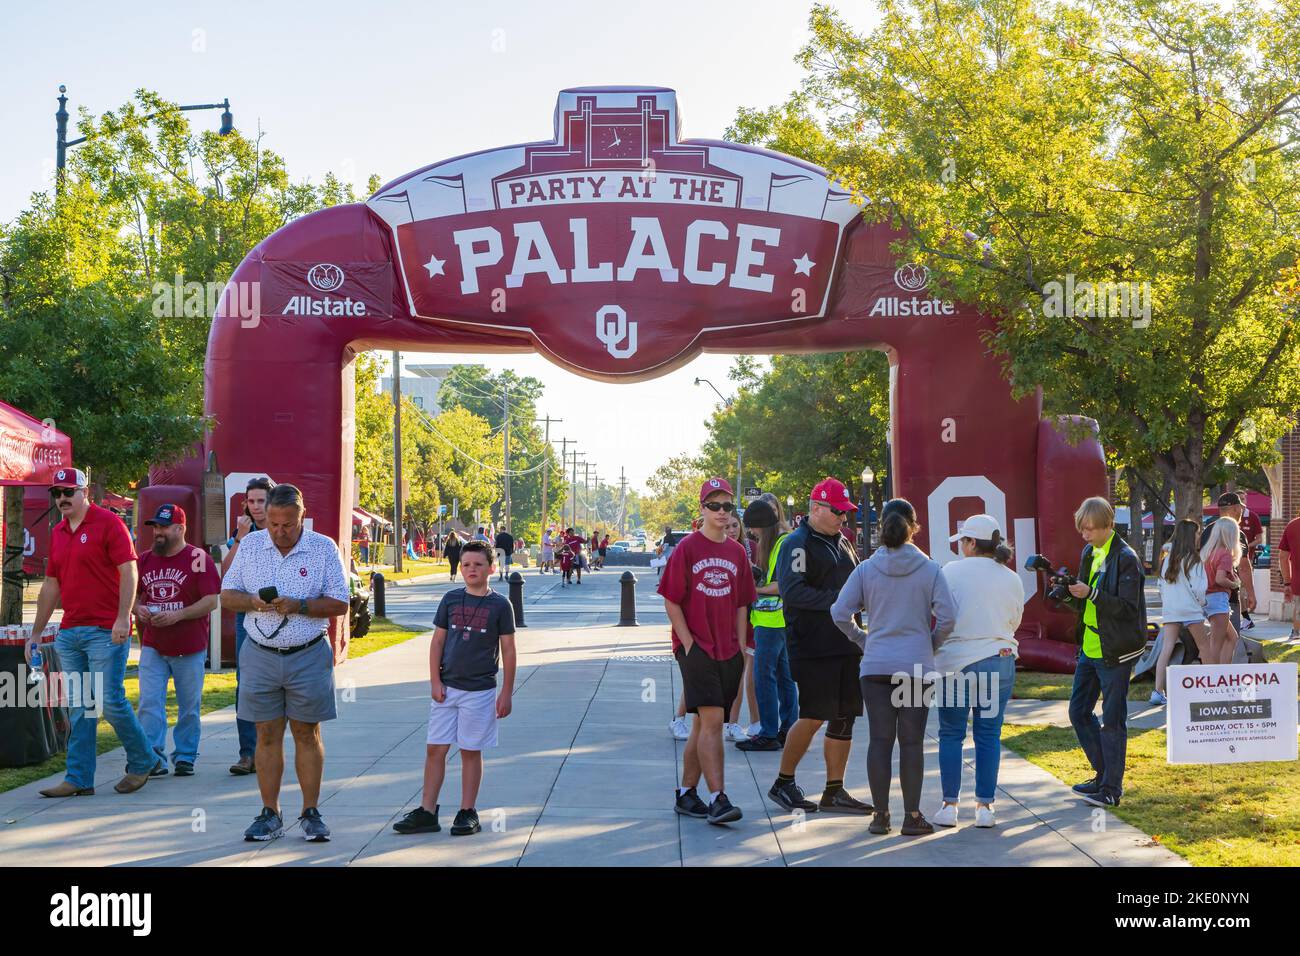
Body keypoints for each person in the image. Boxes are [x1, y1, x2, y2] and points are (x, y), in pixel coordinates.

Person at [220, 483, 350, 842]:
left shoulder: (322, 548)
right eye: (274, 524)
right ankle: (269, 812)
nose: (279, 532)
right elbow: (227, 595)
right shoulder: (250, 546)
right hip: (260, 653)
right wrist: (253, 602)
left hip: (308, 653)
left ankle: (310, 812)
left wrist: (301, 606)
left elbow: (340, 602)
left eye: (288, 524)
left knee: (307, 733)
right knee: (265, 733)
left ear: (302, 516)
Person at [28, 468, 161, 797]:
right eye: (57, 493)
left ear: (85, 492)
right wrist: (36, 633)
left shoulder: (109, 523)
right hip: (70, 632)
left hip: (106, 629)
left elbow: (129, 570)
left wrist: (122, 617)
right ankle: (79, 778)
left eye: (68, 491)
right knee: (80, 707)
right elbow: (50, 586)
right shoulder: (58, 532)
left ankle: (144, 759)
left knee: (109, 701)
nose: (62, 498)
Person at [832, 497, 955, 835]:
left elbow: (839, 612)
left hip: (875, 666)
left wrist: (862, 639)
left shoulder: (866, 569)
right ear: (914, 528)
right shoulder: (930, 569)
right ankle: (912, 816)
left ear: (883, 526)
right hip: (915, 666)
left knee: (880, 741)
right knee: (912, 743)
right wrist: (930, 643)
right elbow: (948, 616)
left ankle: (880, 815)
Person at [393, 541, 517, 836]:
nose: (472, 569)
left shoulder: (500, 605)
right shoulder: (450, 600)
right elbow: (437, 642)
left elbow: (509, 650)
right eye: (466, 565)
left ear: (492, 567)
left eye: (478, 564)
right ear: (459, 567)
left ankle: (467, 811)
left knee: (470, 751)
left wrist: (506, 693)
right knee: (435, 748)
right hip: (447, 689)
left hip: (480, 691)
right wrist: (435, 681)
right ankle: (427, 811)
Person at [768, 478, 873, 817]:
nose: (844, 517)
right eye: (838, 511)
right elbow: (793, 591)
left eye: (846, 512)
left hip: (846, 643)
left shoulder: (843, 541)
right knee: (813, 715)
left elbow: (858, 581)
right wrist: (842, 602)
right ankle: (783, 782)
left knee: (845, 717)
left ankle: (834, 790)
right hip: (813, 644)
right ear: (816, 508)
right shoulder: (797, 544)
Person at [659, 478, 756, 826]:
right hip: (696, 647)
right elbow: (671, 598)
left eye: (726, 506)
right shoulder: (688, 548)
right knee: (714, 720)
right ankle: (718, 798)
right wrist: (687, 643)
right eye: (713, 505)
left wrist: (742, 646)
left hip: (728, 649)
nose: (720, 512)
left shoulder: (737, 553)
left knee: (702, 724)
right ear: (701, 509)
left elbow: (743, 603)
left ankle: (686, 794)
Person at [931, 514, 1019, 829]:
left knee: (951, 734)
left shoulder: (950, 572)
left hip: (955, 662)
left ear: (969, 543)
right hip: (998, 658)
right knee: (988, 734)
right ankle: (984, 806)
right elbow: (1014, 620)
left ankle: (949, 805)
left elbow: (939, 615)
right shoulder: (1010, 577)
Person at [1060, 496, 1147, 810]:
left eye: (1091, 530)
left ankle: (1111, 789)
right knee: (1078, 712)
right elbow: (1086, 600)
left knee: (1113, 721)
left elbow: (1127, 608)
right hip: (1090, 646)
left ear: (1109, 525)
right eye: (1082, 530)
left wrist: (1091, 593)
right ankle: (1102, 775)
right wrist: (1070, 592)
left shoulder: (1126, 557)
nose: (1085, 535)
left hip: (1116, 651)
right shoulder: (1090, 551)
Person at [133, 504, 221, 776]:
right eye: (155, 527)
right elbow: (132, 595)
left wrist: (179, 615)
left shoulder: (198, 558)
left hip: (190, 645)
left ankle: (185, 756)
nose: (157, 532)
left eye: (163, 527)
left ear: (180, 528)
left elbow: (211, 601)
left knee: (189, 707)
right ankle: (153, 757)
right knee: (149, 702)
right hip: (153, 644)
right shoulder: (145, 559)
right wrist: (138, 609)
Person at [735, 497, 798, 752]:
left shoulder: (783, 543)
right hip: (774, 620)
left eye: (752, 527)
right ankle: (788, 729)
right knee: (784, 677)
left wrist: (754, 589)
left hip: (772, 621)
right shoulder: (781, 542)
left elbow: (784, 585)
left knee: (764, 677)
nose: (750, 532)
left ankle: (769, 732)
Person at [221, 475, 274, 775]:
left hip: (281, 614)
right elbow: (227, 574)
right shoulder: (242, 532)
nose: (256, 507)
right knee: (246, 684)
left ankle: (271, 748)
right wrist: (240, 537)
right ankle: (247, 753)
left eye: (261, 501)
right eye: (251, 501)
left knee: (277, 685)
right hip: (247, 615)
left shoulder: (283, 530)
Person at [1151, 519, 1212, 703]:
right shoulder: (1195, 559)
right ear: (1190, 536)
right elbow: (1199, 588)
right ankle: (1212, 686)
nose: (1199, 536)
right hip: (1191, 609)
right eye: (1197, 532)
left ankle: (1157, 691)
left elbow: (1161, 586)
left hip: (1171, 609)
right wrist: (1201, 604)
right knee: (1204, 647)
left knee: (1166, 648)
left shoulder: (1167, 559)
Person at [1198, 492, 1256, 641]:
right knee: (1230, 640)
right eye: (1240, 508)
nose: (1242, 511)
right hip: (1226, 596)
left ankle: (1211, 662)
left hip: (1204, 593)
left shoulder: (1206, 532)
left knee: (1215, 639)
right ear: (1234, 508)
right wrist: (1250, 593)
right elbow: (1243, 567)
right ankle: (1221, 664)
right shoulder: (1236, 534)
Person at [723, 509, 758, 741]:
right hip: (727, 617)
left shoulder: (751, 549)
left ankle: (749, 723)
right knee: (731, 673)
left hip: (751, 616)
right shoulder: (720, 550)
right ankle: (729, 723)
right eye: (727, 526)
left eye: (735, 525)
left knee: (750, 671)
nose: (732, 530)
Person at [1201, 517, 1243, 665]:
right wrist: (1234, 584)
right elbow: (1220, 579)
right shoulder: (1225, 553)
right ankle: (1214, 674)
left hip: (1206, 597)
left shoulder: (1208, 552)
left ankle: (1224, 670)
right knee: (1216, 643)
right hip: (1218, 598)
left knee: (1231, 637)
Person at [1278, 509, 1300, 642]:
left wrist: (1287, 583)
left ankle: (1297, 632)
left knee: (1298, 611)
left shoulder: (1292, 526)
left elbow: (1283, 556)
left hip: (1298, 583)